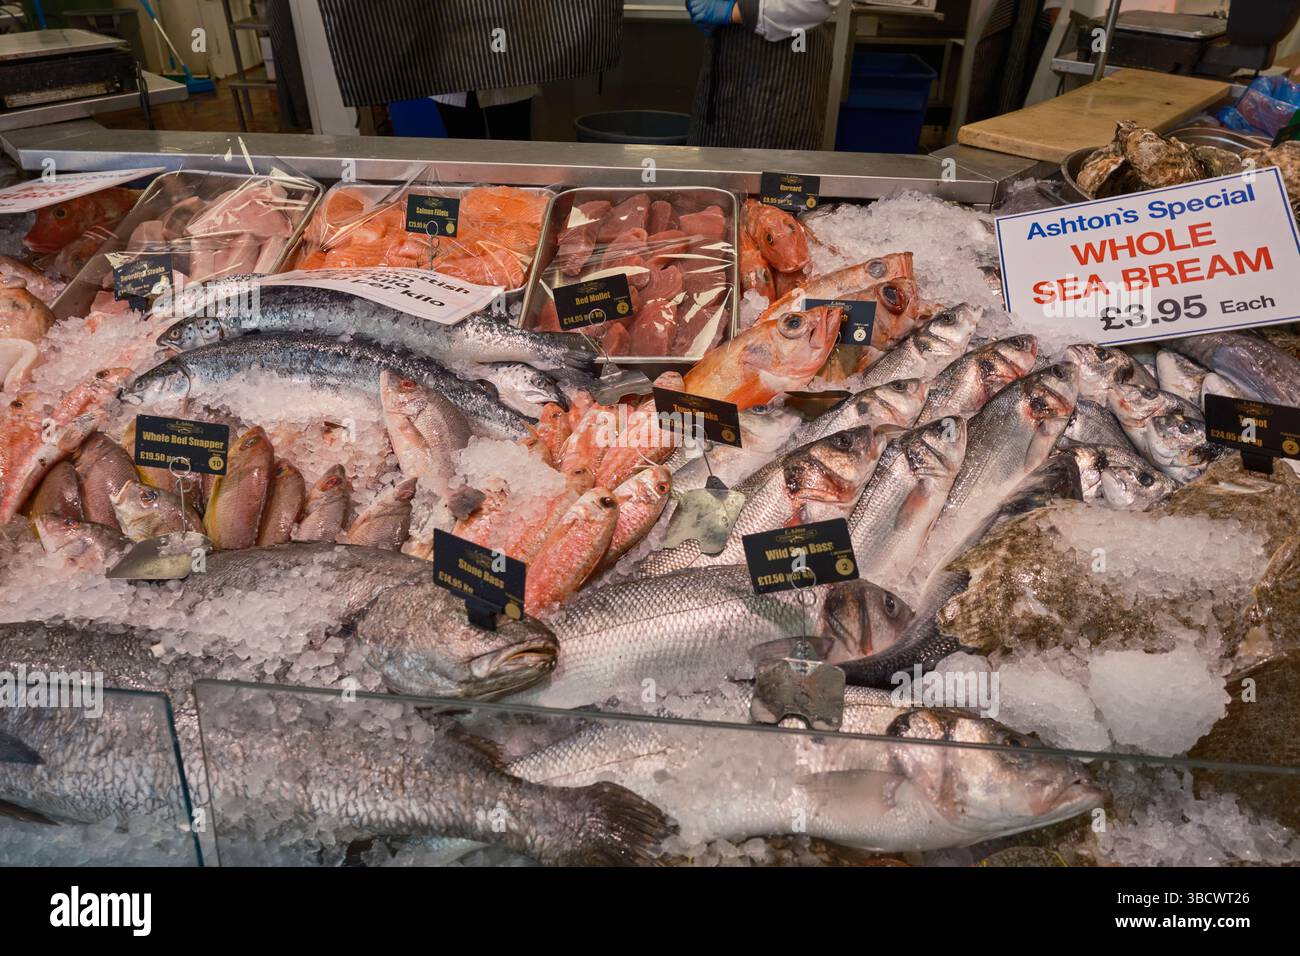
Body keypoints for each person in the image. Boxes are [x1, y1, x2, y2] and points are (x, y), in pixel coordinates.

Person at [685, 0, 838, 150]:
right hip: (725, 60)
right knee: (712, 166)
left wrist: (736, 11)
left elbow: (818, 3)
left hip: (787, 60)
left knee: (773, 168)